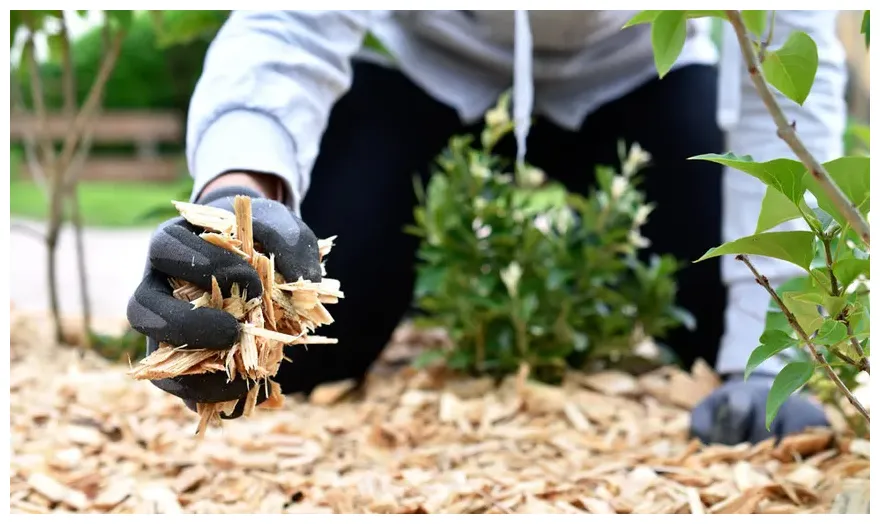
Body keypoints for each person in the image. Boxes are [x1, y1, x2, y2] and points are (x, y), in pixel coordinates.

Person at [127, 11, 846, 444]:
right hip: (428, 66)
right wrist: (238, 202)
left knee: (724, 324)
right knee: (305, 338)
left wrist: (763, 354)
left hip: (636, 69)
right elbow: (287, 27)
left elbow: (785, 68)